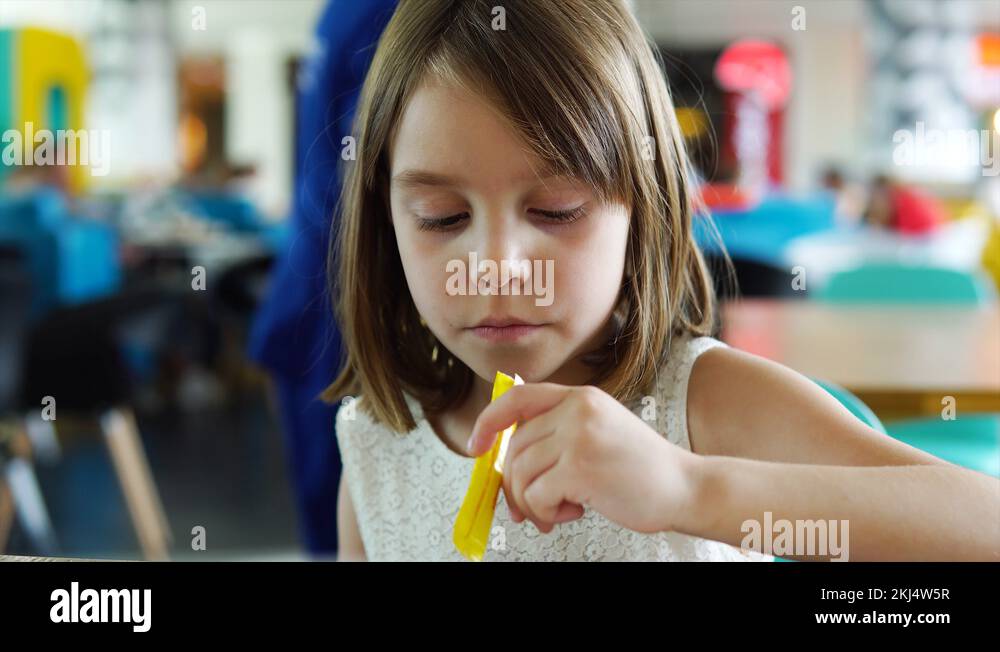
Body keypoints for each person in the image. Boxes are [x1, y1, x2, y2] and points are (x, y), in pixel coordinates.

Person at [326, 0, 998, 561]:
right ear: (386, 226)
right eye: (440, 218)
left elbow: (981, 526)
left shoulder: (700, 407)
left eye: (556, 210)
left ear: (641, 210)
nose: (498, 267)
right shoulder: (376, 450)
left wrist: (688, 490)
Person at [248, 0, 398, 555]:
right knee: (354, 516)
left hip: (314, 291)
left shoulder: (341, 13)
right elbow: (363, 174)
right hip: (344, 306)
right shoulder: (383, 14)